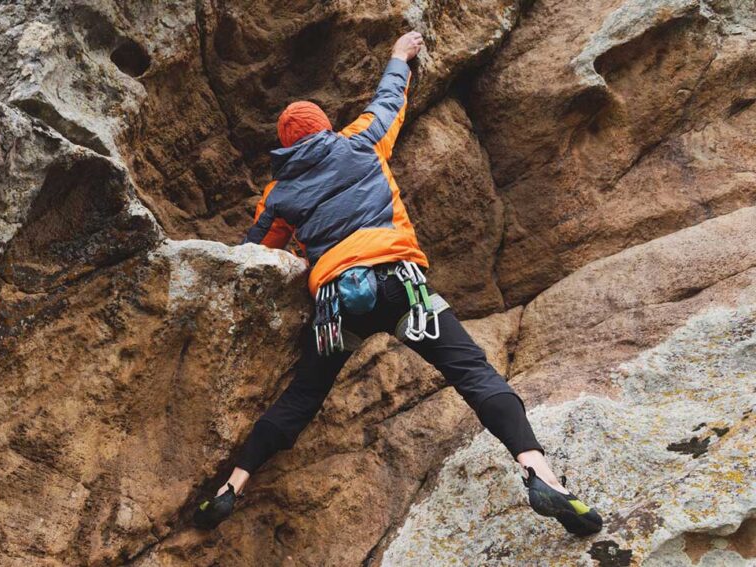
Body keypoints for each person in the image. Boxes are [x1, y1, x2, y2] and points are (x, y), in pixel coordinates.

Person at [193, 30, 603, 536]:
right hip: (400, 286)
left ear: (285, 146)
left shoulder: (277, 195)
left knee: (301, 398)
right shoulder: (360, 140)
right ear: (323, 128)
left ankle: (231, 486)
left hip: (337, 308)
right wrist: (398, 56)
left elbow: (253, 255)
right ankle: (543, 477)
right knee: (474, 374)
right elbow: (389, 101)